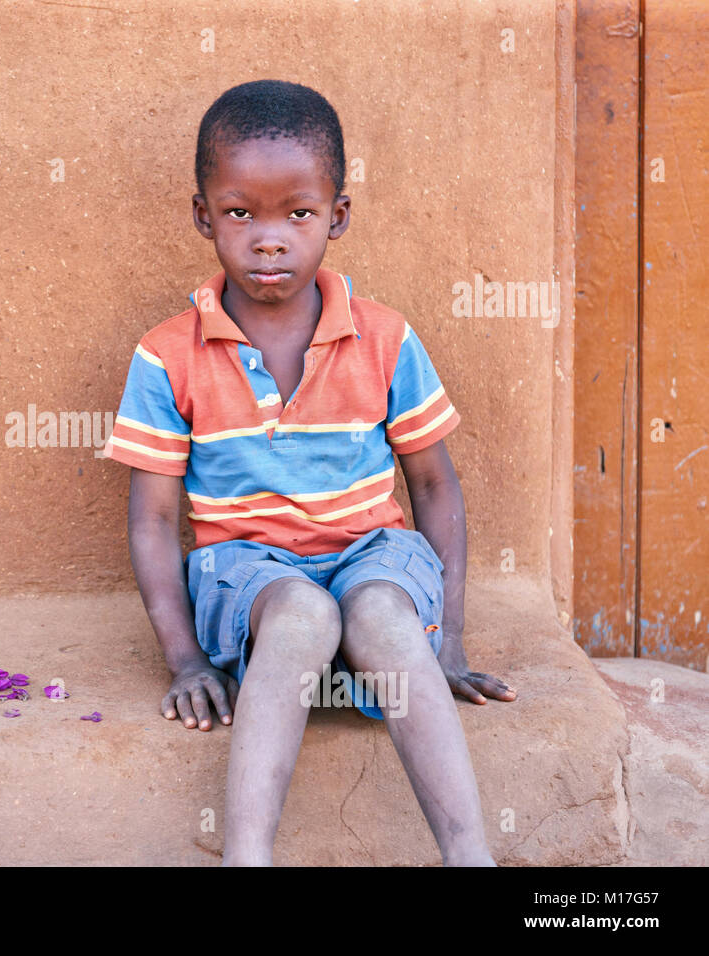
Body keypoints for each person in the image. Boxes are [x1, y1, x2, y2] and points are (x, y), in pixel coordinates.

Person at [105, 80, 516, 866]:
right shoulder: (167, 355)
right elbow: (153, 518)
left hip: (373, 557)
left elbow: (433, 486)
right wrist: (185, 658)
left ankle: (472, 859)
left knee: (387, 621)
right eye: (239, 213)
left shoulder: (386, 338)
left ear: (338, 216)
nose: (269, 239)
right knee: (299, 616)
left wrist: (450, 639)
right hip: (249, 575)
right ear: (202, 217)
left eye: (298, 213)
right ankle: (247, 859)